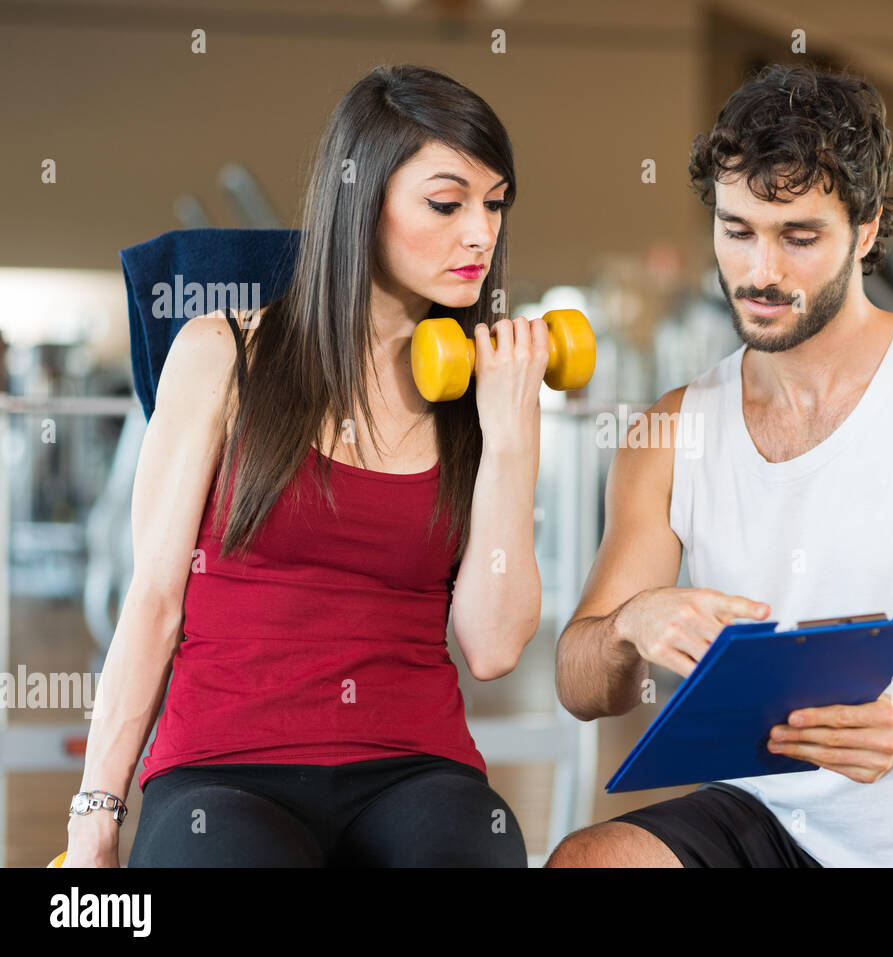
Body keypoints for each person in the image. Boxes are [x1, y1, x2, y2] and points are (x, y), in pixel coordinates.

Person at [547, 63, 893, 867]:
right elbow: (579, 681)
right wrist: (633, 624)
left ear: (866, 230)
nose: (760, 272)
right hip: (765, 816)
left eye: (799, 237)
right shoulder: (671, 430)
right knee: (593, 860)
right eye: (736, 230)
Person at [64, 65, 546, 867]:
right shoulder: (223, 353)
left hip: (416, 768)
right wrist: (95, 815)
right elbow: (151, 600)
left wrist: (513, 438)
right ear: (362, 203)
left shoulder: (481, 396)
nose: (481, 234)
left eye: (495, 203)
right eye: (447, 201)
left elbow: (493, 648)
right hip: (225, 770)